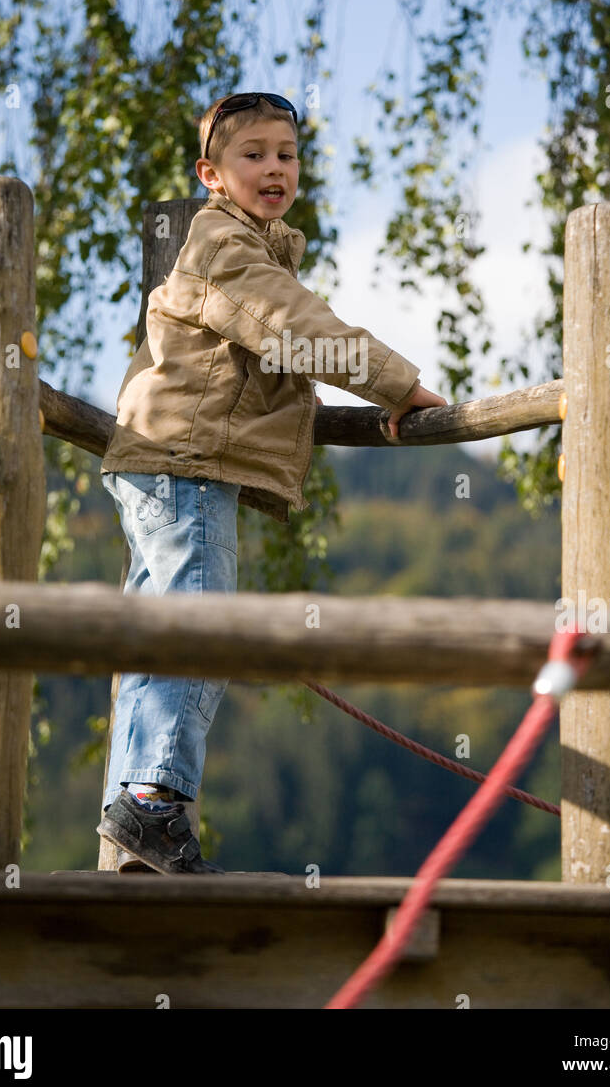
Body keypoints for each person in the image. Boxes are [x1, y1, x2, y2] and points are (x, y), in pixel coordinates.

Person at [97, 91, 448, 874]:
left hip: (163, 462)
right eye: (252, 154)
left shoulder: (251, 248)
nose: (274, 168)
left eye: (286, 154)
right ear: (211, 175)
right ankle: (153, 801)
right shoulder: (223, 244)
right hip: (181, 465)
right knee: (198, 623)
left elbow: (269, 352)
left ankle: (136, 814)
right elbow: (297, 329)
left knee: (161, 631)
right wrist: (398, 387)